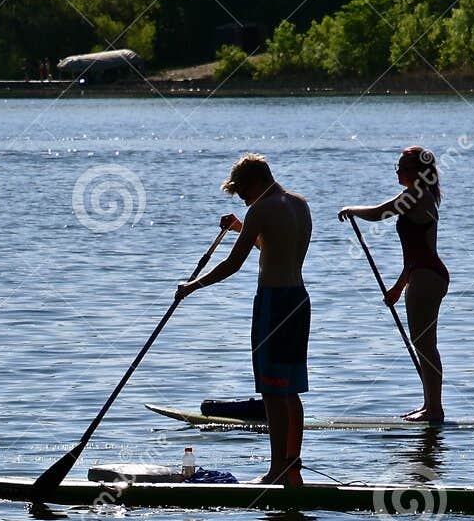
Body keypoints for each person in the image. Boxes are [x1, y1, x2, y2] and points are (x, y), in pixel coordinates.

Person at [176, 154, 312, 485]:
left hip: (274, 303)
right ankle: (292, 467)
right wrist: (242, 228)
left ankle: (276, 469)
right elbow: (274, 247)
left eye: (242, 194)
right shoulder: (298, 204)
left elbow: (233, 263)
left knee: (272, 391)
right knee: (290, 389)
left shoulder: (261, 209)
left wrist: (192, 285)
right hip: (299, 300)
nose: (242, 200)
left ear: (254, 183)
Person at [338, 146, 448, 423]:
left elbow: (379, 213)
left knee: (425, 344)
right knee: (423, 343)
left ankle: (434, 409)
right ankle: (429, 405)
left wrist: (352, 210)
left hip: (427, 276)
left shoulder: (415, 194)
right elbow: (415, 253)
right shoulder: (421, 195)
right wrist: (399, 287)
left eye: (401, 167)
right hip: (422, 274)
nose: (397, 171)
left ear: (416, 172)